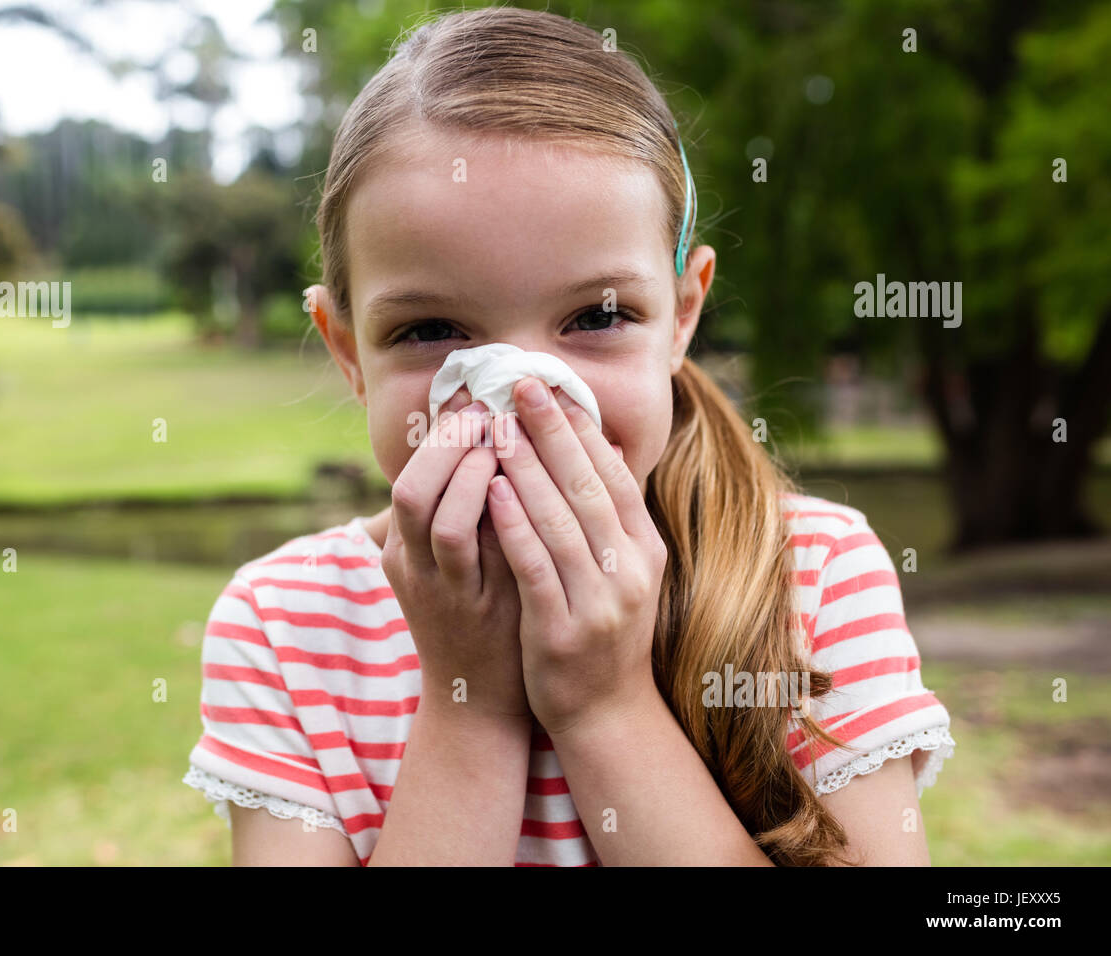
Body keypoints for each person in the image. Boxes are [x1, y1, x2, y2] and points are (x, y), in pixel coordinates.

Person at [182, 6, 954, 866]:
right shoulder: (285, 626)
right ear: (346, 350)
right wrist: (468, 707)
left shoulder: (813, 576)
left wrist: (604, 704)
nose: (519, 395)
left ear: (682, 316)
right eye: (432, 329)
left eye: (597, 315)